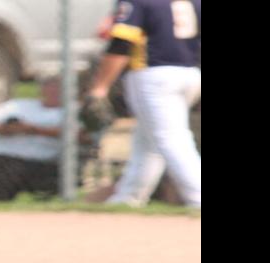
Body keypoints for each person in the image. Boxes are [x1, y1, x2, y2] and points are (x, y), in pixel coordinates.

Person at [86, 0, 201, 209]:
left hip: (153, 74)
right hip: (189, 72)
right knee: (148, 141)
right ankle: (129, 197)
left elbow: (121, 43)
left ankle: (197, 196)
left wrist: (100, 86)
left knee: (171, 139)